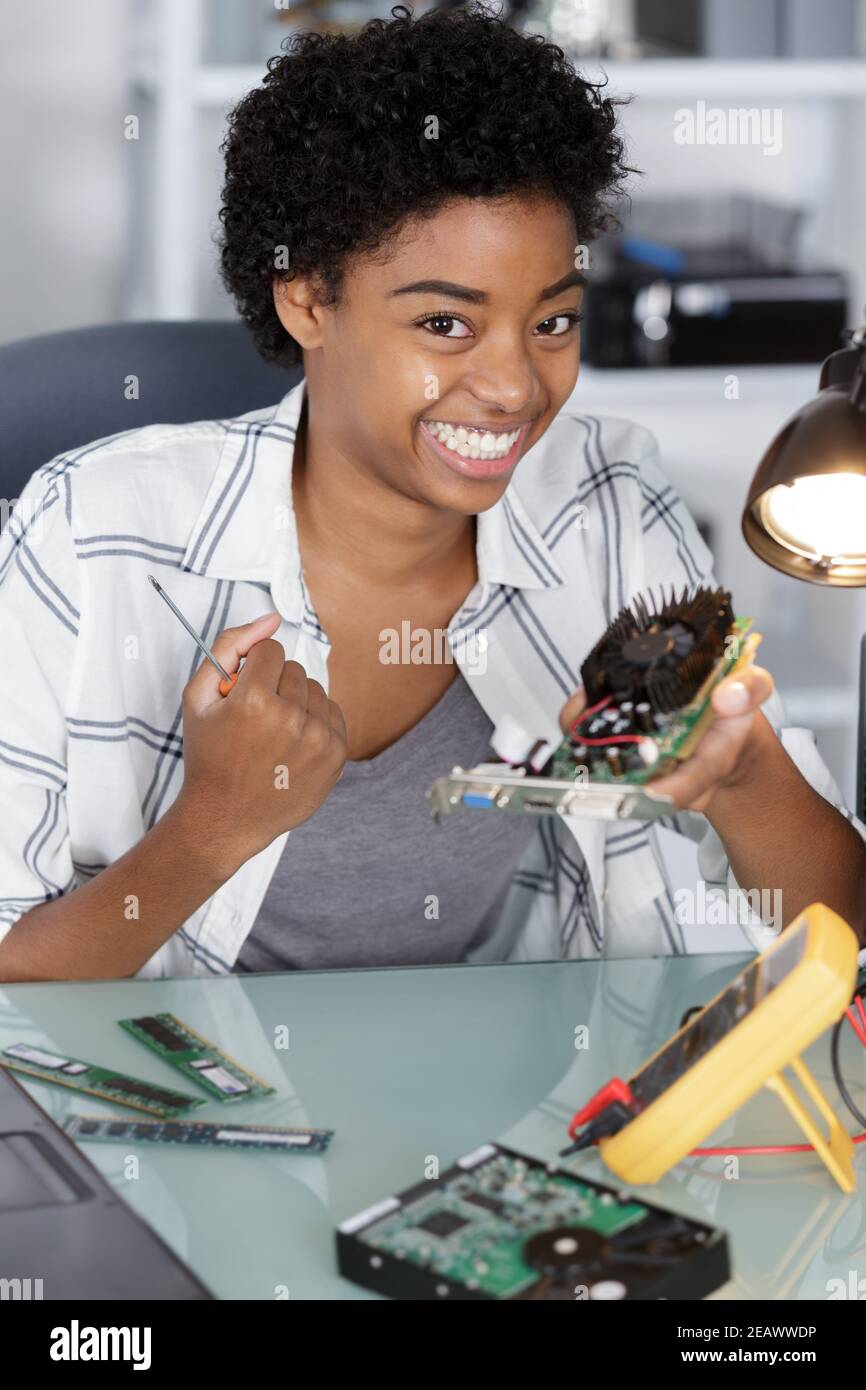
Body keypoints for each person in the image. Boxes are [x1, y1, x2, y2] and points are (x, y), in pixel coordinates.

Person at [1, 4, 864, 981]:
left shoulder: (605, 501)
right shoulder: (91, 533)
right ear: (308, 300)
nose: (513, 385)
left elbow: (837, 927)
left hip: (516, 1111)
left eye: (551, 323)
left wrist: (744, 780)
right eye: (446, 325)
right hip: (157, 1123)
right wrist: (210, 827)